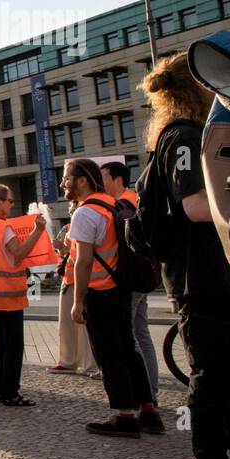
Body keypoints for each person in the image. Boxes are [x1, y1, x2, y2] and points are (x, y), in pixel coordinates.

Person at [137, 54, 230, 459]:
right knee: (212, 381)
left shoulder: (192, 136)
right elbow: (196, 206)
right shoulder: (182, 137)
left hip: (216, 275)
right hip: (200, 278)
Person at [62, 158, 160, 437]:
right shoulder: (113, 204)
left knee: (110, 355)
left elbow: (83, 261)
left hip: (100, 291)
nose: (63, 183)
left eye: (67, 178)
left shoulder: (84, 213)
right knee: (128, 350)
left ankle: (124, 416)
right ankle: (148, 412)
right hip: (121, 289)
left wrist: (79, 301)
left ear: (82, 180)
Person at [0, 183, 47, 406]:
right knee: (13, 346)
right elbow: (18, 254)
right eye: (9, 200)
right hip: (10, 295)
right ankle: (10, 392)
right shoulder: (4, 227)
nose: (11, 204)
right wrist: (38, 231)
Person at [101, 160, 159, 398]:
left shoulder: (120, 206)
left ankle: (142, 394)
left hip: (130, 278)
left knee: (131, 336)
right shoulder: (136, 199)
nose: (99, 182)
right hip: (144, 274)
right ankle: (151, 391)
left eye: (103, 177)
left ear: (117, 180)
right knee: (142, 333)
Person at [49, 210, 100, 378]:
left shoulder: (87, 223)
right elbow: (66, 255)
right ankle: (67, 361)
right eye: (70, 209)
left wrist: (63, 248)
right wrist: (60, 249)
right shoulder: (68, 228)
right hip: (68, 279)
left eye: (74, 208)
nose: (71, 211)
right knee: (66, 323)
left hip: (85, 280)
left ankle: (90, 364)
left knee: (84, 325)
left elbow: (83, 255)